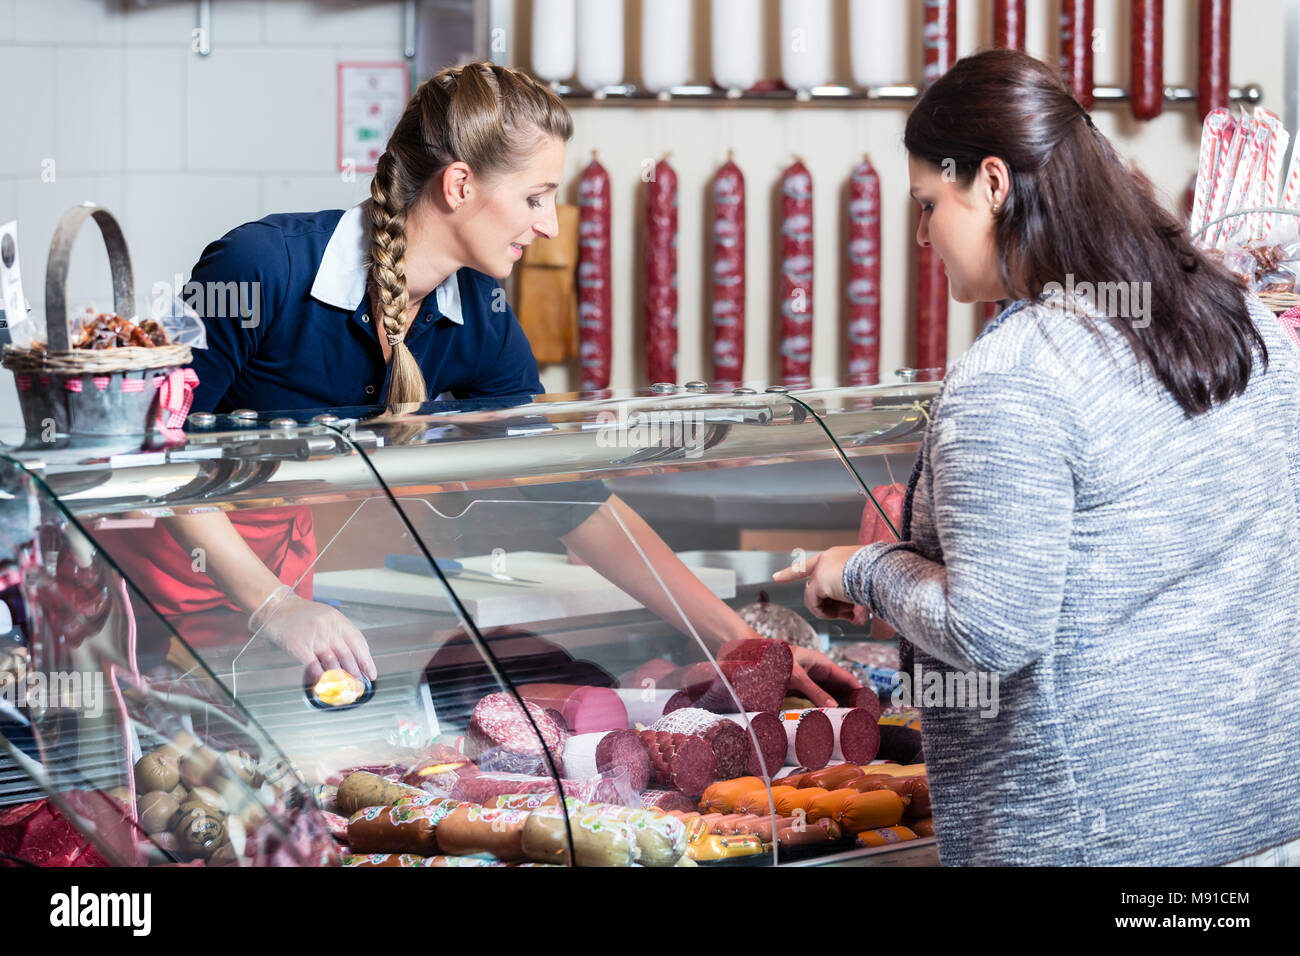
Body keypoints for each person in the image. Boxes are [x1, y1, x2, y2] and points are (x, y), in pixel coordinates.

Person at [102, 62, 854, 705]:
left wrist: (742, 641)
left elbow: (570, 496)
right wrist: (274, 607)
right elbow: (155, 453)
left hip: (276, 590)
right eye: (535, 197)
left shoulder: (480, 313)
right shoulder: (260, 267)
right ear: (460, 185)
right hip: (144, 600)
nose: (551, 226)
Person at [776, 49, 1300, 866]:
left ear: (991, 183)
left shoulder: (1017, 371)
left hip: (1097, 837)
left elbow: (989, 631)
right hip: (1261, 820)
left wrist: (862, 570)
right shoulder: (1242, 317)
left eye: (927, 204)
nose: (921, 236)